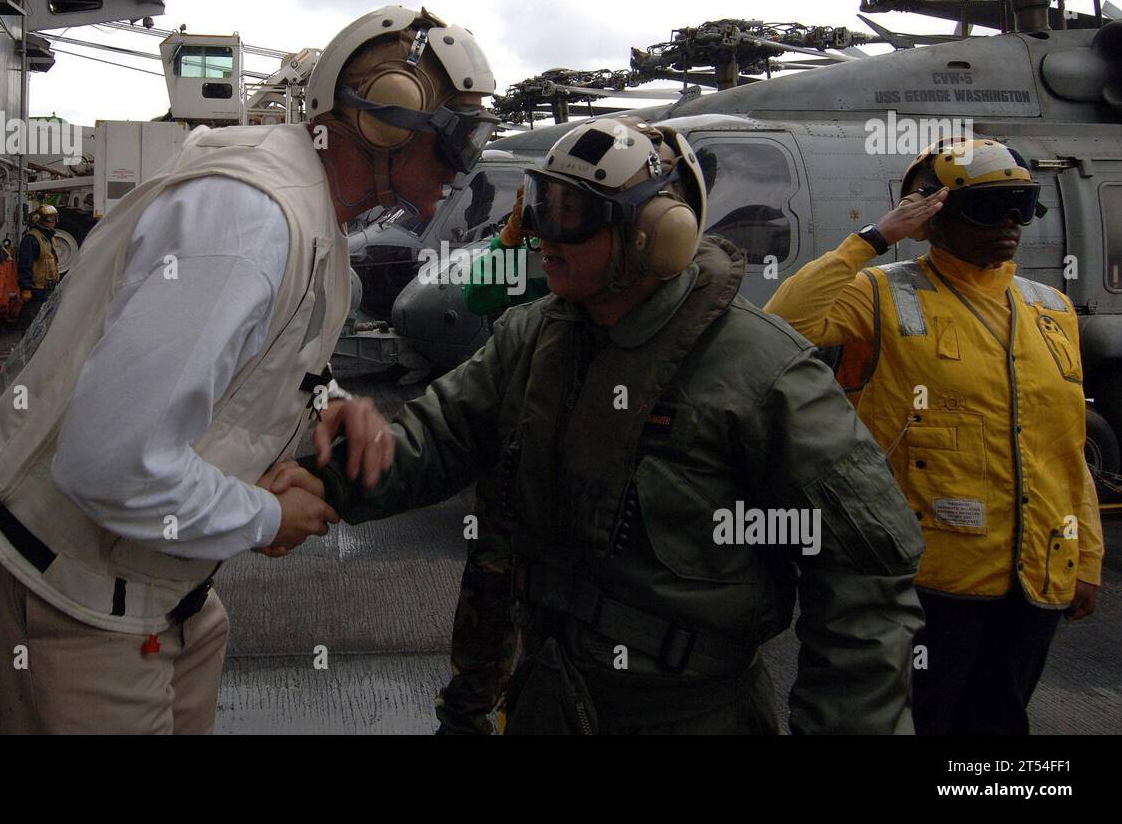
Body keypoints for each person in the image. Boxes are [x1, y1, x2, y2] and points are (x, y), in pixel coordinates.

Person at [0, 5, 498, 733]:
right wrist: (268, 516)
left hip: (161, 587)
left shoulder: (303, 214)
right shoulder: (249, 223)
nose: (465, 171)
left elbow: (257, 359)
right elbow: (109, 462)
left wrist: (326, 404)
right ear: (386, 124)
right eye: (456, 146)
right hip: (65, 589)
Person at [289, 116, 926, 734]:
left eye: (571, 214)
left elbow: (864, 577)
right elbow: (436, 438)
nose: (541, 236)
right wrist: (305, 483)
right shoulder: (535, 337)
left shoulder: (763, 369)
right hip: (546, 693)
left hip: (686, 713)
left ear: (653, 235)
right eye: (541, 205)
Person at [764, 138, 1104, 735]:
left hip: (1034, 577)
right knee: (917, 720)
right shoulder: (881, 293)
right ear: (931, 217)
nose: (1008, 225)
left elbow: (1066, 447)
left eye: (1019, 207)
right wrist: (874, 237)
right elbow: (782, 323)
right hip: (927, 581)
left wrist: (1088, 557)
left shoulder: (1049, 308)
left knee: (1000, 727)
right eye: (988, 208)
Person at [436, 186, 548, 734]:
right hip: (512, 469)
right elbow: (480, 296)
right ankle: (469, 711)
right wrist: (512, 237)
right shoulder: (537, 267)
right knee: (489, 602)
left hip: (575, 479)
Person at [16, 204, 60, 331]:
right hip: (36, 291)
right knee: (32, 326)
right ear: (39, 219)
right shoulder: (31, 239)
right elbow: (25, 265)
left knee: (45, 326)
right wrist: (26, 288)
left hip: (49, 289)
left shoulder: (49, 238)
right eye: (50, 219)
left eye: (55, 218)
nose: (54, 222)